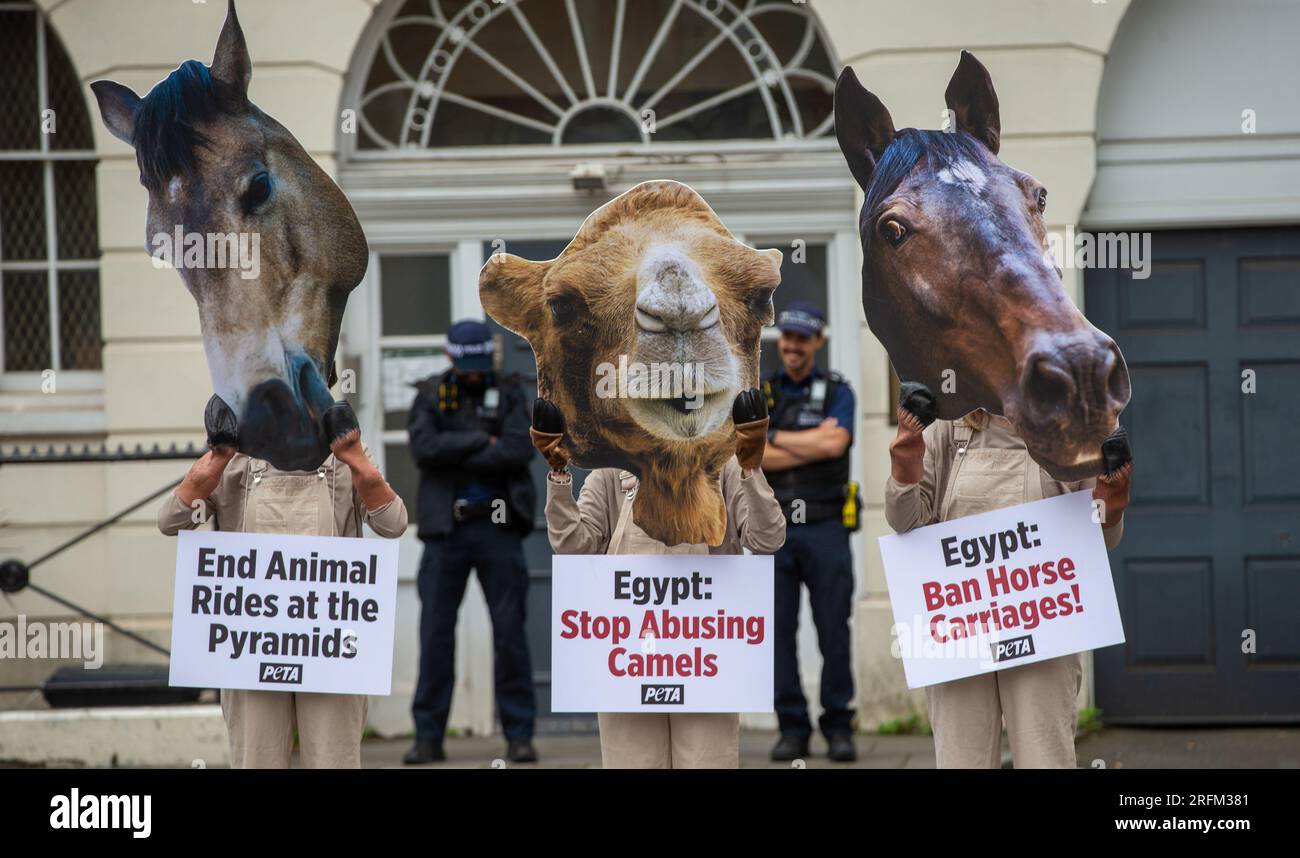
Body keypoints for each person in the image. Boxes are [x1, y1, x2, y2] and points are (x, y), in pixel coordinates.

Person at [532, 390, 785, 768]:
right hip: (627, 653)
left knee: (706, 763)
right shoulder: (612, 467)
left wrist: (751, 467)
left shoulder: (723, 462)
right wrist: (558, 475)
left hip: (705, 654)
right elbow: (574, 547)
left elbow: (767, 538)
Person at [158, 398, 407, 768]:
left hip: (329, 642)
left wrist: (356, 457)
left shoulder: (340, 452)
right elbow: (171, 520)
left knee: (333, 760)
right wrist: (216, 458)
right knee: (257, 759)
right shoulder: (237, 453)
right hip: (250, 643)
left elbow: (393, 523)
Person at [885, 397, 1133, 769]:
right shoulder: (945, 422)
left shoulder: (1072, 425)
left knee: (1044, 759)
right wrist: (906, 452)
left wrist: (1111, 498)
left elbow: (1102, 540)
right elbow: (904, 520)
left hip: (1046, 624)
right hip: (958, 626)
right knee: (960, 760)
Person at [404, 320, 538, 765]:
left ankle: (519, 736)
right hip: (446, 531)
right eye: (469, 368)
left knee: (510, 637)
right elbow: (424, 449)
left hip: (498, 529)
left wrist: (455, 447)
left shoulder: (513, 389)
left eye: (482, 366)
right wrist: (484, 439)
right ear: (451, 359)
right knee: (436, 636)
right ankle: (428, 738)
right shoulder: (430, 393)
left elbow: (519, 449)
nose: (477, 375)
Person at [759, 301, 859, 763]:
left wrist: (774, 440)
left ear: (818, 342)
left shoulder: (838, 390)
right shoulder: (761, 393)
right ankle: (792, 728)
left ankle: (839, 726)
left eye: (803, 338)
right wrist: (808, 443)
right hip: (774, 528)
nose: (793, 346)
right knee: (777, 633)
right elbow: (751, 456)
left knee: (833, 630)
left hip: (825, 526)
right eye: (788, 338)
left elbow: (836, 442)